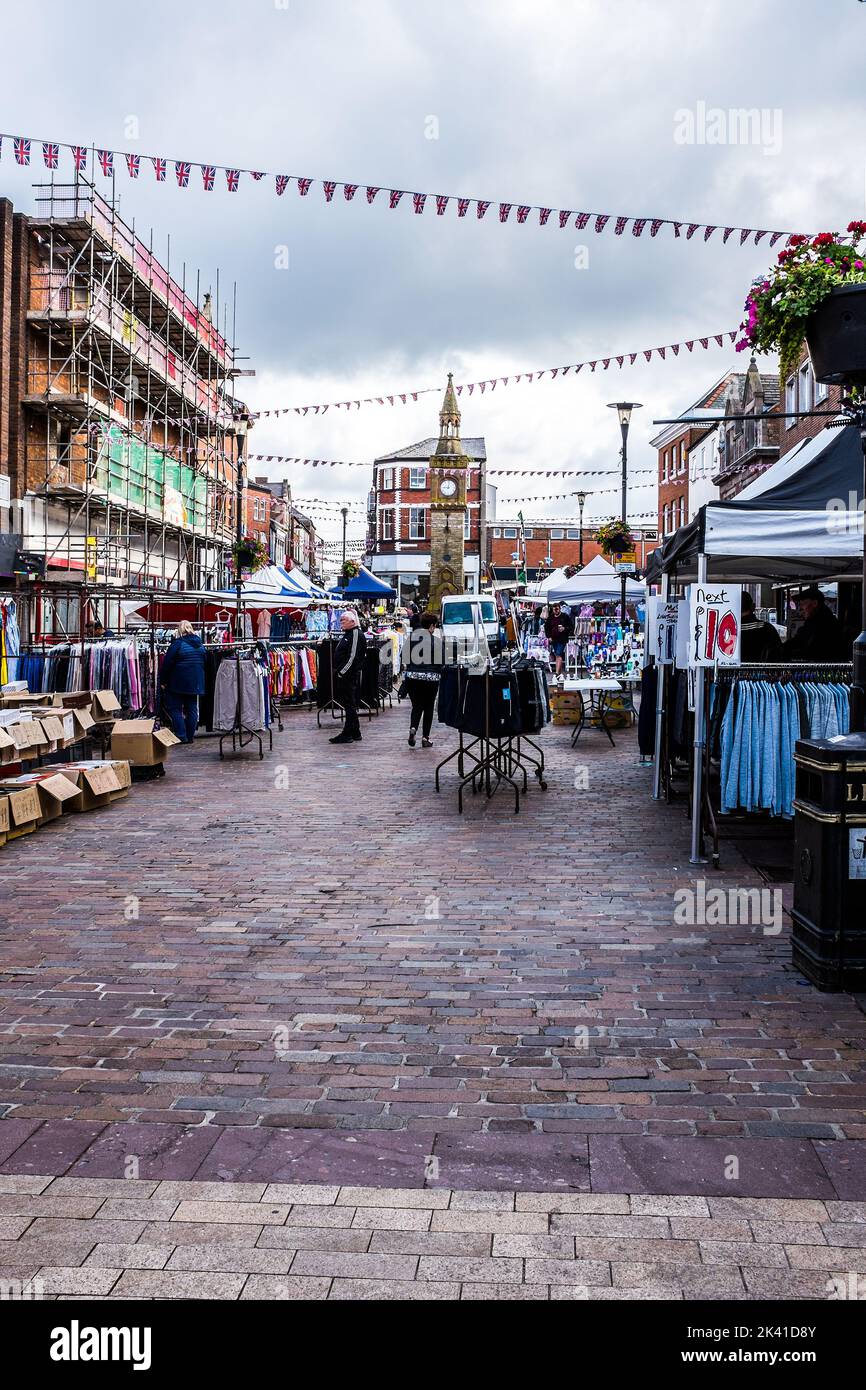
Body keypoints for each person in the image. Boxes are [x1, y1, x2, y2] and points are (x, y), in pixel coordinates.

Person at [161, 620, 206, 744]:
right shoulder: (200, 645)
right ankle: (190, 736)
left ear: (180, 631)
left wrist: (164, 681)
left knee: (175, 709)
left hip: (177, 681)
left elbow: (167, 664)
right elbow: (204, 662)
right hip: (195, 682)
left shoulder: (177, 644)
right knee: (192, 709)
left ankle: (181, 735)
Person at [402, 611, 443, 748]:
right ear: (432, 626)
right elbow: (442, 661)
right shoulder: (436, 642)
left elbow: (404, 656)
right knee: (429, 707)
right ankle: (425, 737)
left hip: (413, 678)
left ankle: (413, 728)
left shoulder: (412, 639)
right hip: (431, 679)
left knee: (417, 706)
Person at [783, 586, 849, 662]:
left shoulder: (824, 623)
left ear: (815, 603)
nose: (800, 609)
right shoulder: (816, 620)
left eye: (803, 604)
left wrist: (788, 652)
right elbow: (800, 640)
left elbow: (813, 649)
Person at [330, 609, 367, 744]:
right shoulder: (349, 634)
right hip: (345, 674)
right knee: (348, 703)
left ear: (352, 621)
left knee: (349, 704)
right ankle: (355, 731)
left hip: (348, 675)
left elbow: (353, 657)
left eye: (343, 620)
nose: (341, 623)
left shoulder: (355, 634)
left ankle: (347, 733)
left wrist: (341, 672)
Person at [740, 592, 782, 663]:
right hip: (763, 672)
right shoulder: (767, 628)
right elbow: (778, 652)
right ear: (753, 606)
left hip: (731, 672)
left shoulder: (728, 631)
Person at [544, 602, 574, 681]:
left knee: (558, 654)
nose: (556, 611)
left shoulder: (565, 616)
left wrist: (564, 628)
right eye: (554, 609)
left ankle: (557, 673)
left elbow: (571, 626)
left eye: (557, 609)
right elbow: (546, 627)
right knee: (557, 654)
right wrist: (549, 636)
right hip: (554, 639)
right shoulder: (550, 617)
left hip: (562, 638)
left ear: (560, 609)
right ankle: (559, 675)